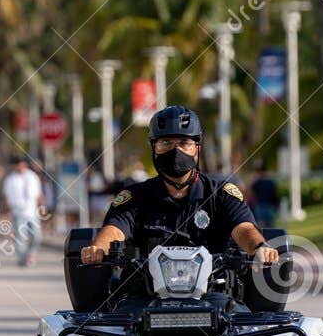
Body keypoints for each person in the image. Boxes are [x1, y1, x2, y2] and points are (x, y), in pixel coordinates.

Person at [80, 106, 280, 269]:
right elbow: (115, 229)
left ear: (197, 148)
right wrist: (98, 248)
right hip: (145, 293)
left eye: (184, 142)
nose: (175, 150)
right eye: (166, 142)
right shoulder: (134, 196)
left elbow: (243, 227)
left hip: (215, 291)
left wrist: (258, 247)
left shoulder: (222, 193)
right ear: (154, 148)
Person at [3, 158, 44, 267]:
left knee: (37, 236)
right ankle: (22, 259)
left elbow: (39, 193)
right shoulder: (10, 179)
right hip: (18, 212)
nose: (21, 168)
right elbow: (7, 197)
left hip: (32, 212)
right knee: (20, 238)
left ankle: (30, 254)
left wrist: (42, 206)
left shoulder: (32, 177)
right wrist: (7, 212)